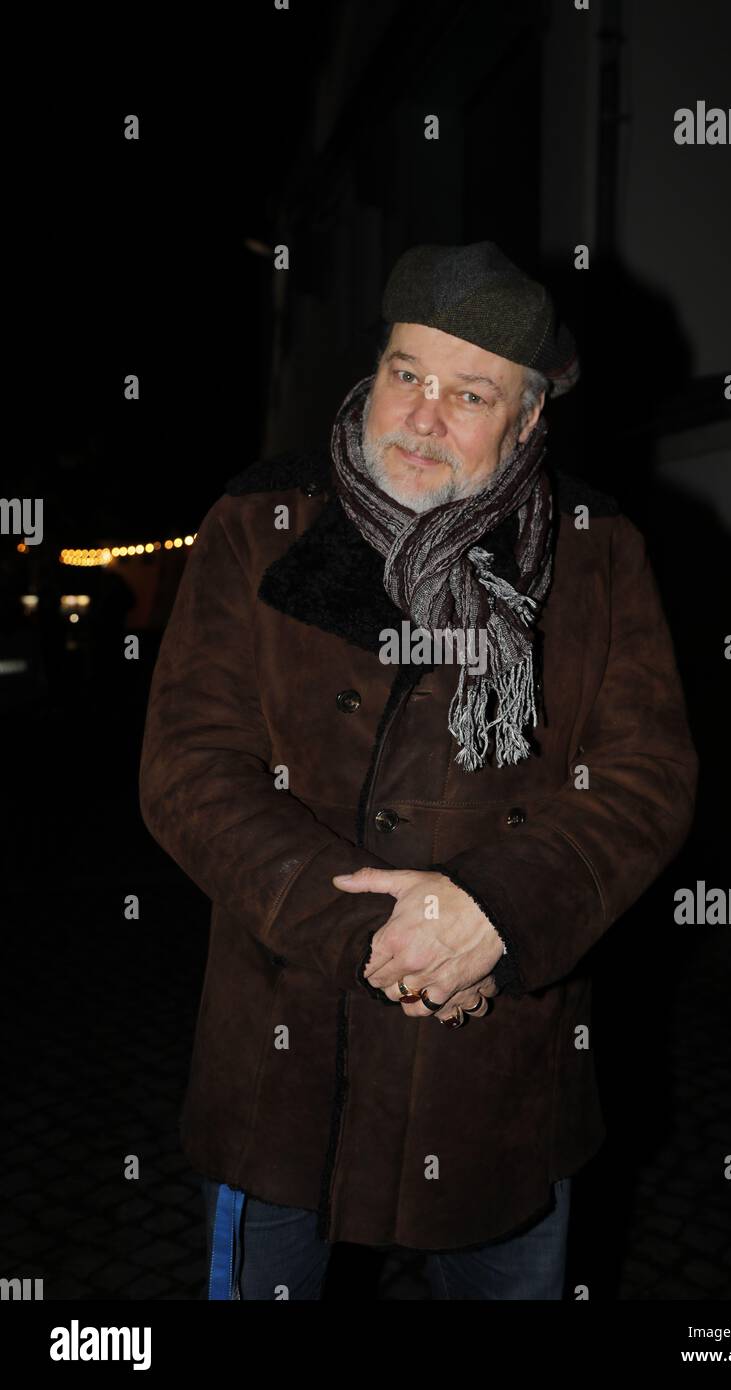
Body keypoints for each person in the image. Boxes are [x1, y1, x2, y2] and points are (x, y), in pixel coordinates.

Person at [139, 239, 698, 1300]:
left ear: (529, 418)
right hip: (281, 1057)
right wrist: (379, 936)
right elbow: (189, 767)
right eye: (405, 373)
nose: (421, 416)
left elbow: (645, 778)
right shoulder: (257, 526)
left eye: (469, 392)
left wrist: (495, 912)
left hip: (497, 1072)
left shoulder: (596, 553)